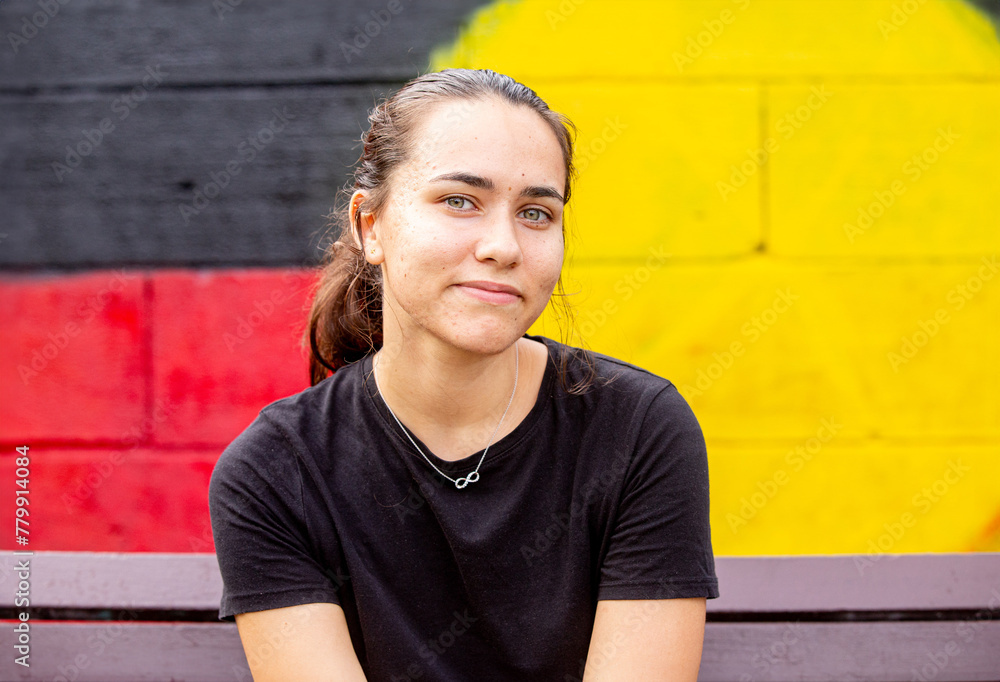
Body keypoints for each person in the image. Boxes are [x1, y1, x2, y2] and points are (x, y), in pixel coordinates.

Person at [209, 67, 719, 682]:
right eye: (459, 201)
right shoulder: (276, 473)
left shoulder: (637, 431)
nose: (503, 245)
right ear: (371, 226)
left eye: (536, 213)